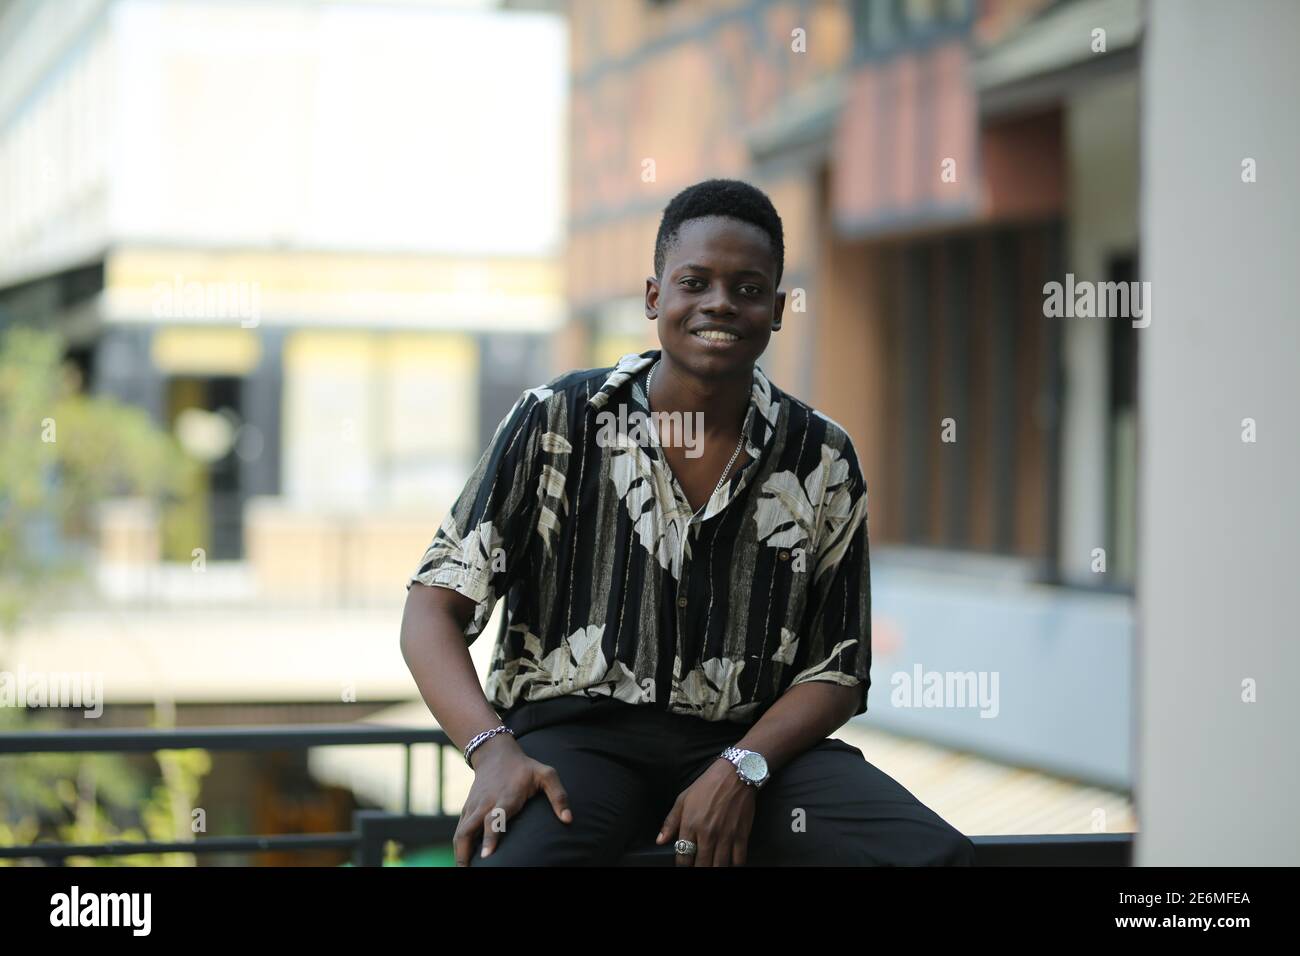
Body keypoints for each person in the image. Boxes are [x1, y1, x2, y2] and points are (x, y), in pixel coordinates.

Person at [399, 178, 976, 867]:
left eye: (747, 287)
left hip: (754, 749)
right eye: (695, 282)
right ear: (654, 297)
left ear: (779, 308)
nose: (720, 304)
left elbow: (839, 668)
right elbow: (432, 609)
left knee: (936, 860)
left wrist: (741, 767)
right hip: (577, 744)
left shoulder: (821, 456)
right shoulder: (555, 420)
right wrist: (491, 752)